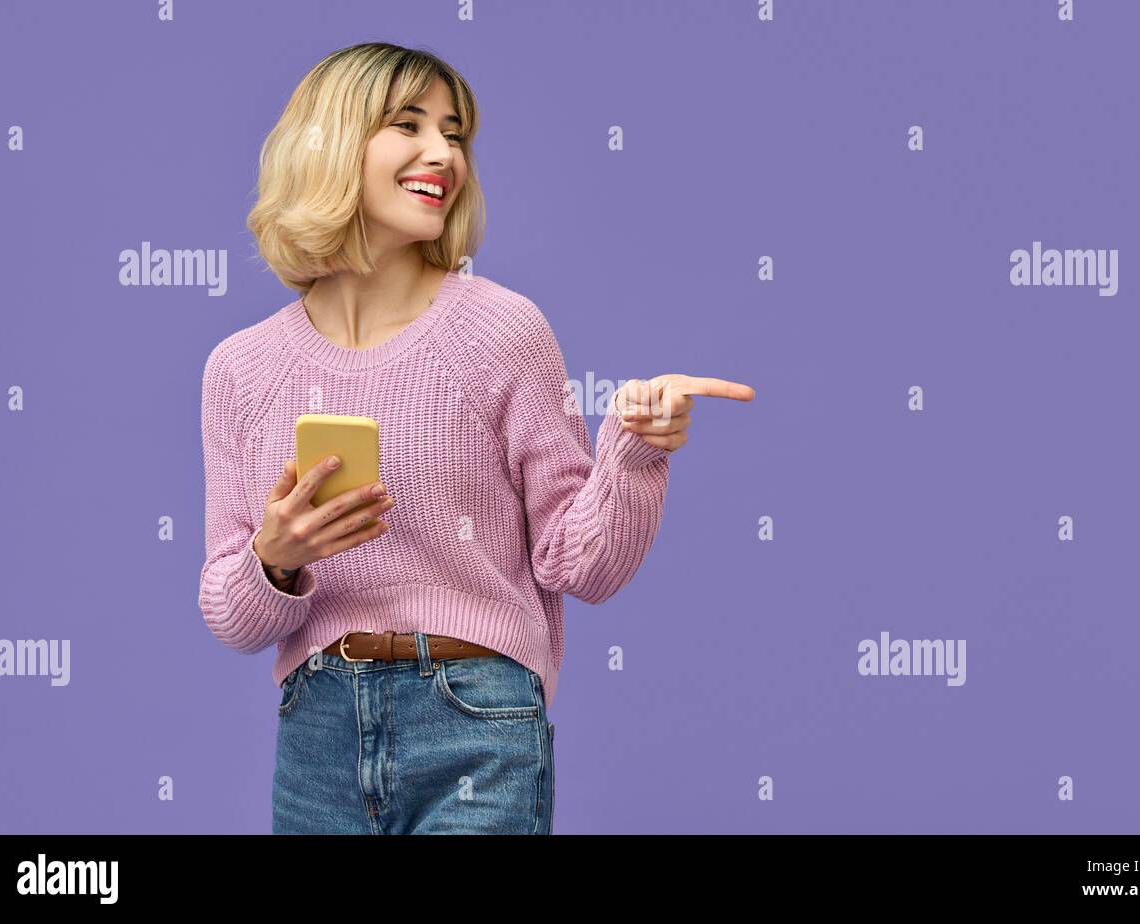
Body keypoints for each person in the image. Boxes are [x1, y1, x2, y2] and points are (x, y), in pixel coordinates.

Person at [198, 41, 755, 834]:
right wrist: (275, 561)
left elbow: (578, 565)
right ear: (326, 146)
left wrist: (633, 450)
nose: (442, 154)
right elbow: (230, 616)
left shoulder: (501, 330)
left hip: (477, 718)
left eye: (454, 133)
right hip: (317, 730)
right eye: (408, 125)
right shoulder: (240, 369)